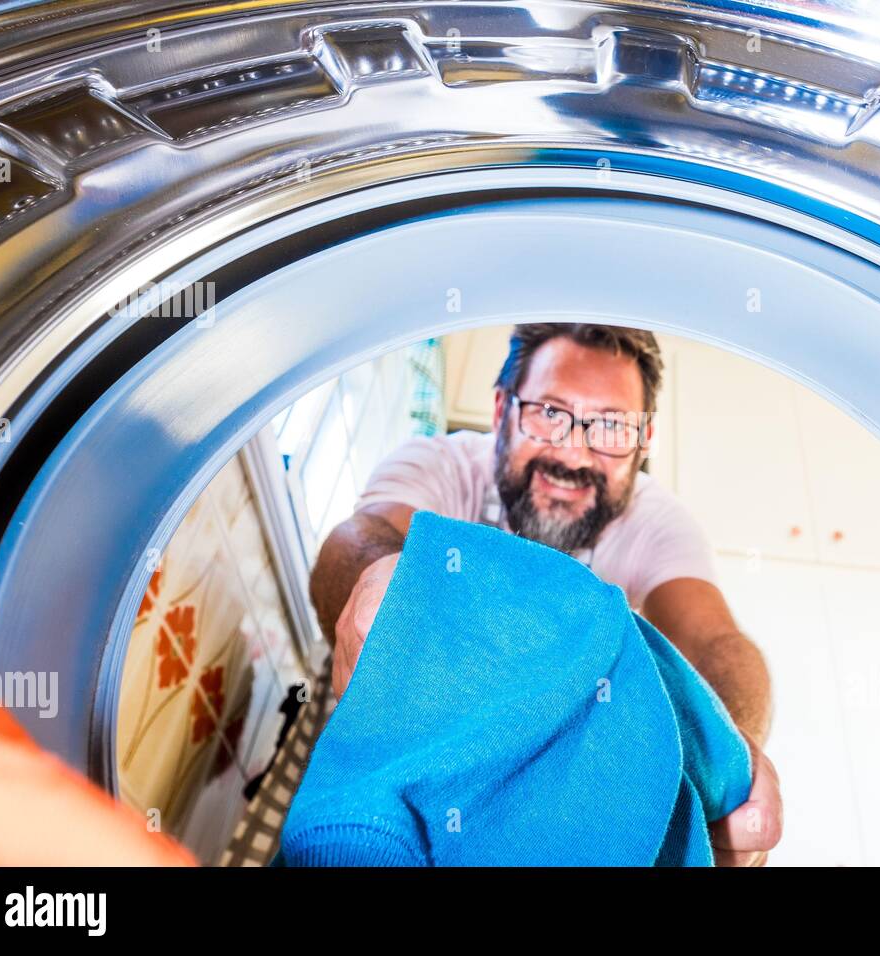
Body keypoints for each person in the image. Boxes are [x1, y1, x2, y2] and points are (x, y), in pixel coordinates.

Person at [309, 324, 783, 866]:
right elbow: (358, 537)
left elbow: (715, 641)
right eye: (550, 413)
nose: (573, 454)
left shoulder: (660, 523)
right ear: (500, 411)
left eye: (610, 425)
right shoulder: (439, 465)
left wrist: (730, 754)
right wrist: (378, 575)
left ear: (643, 441)